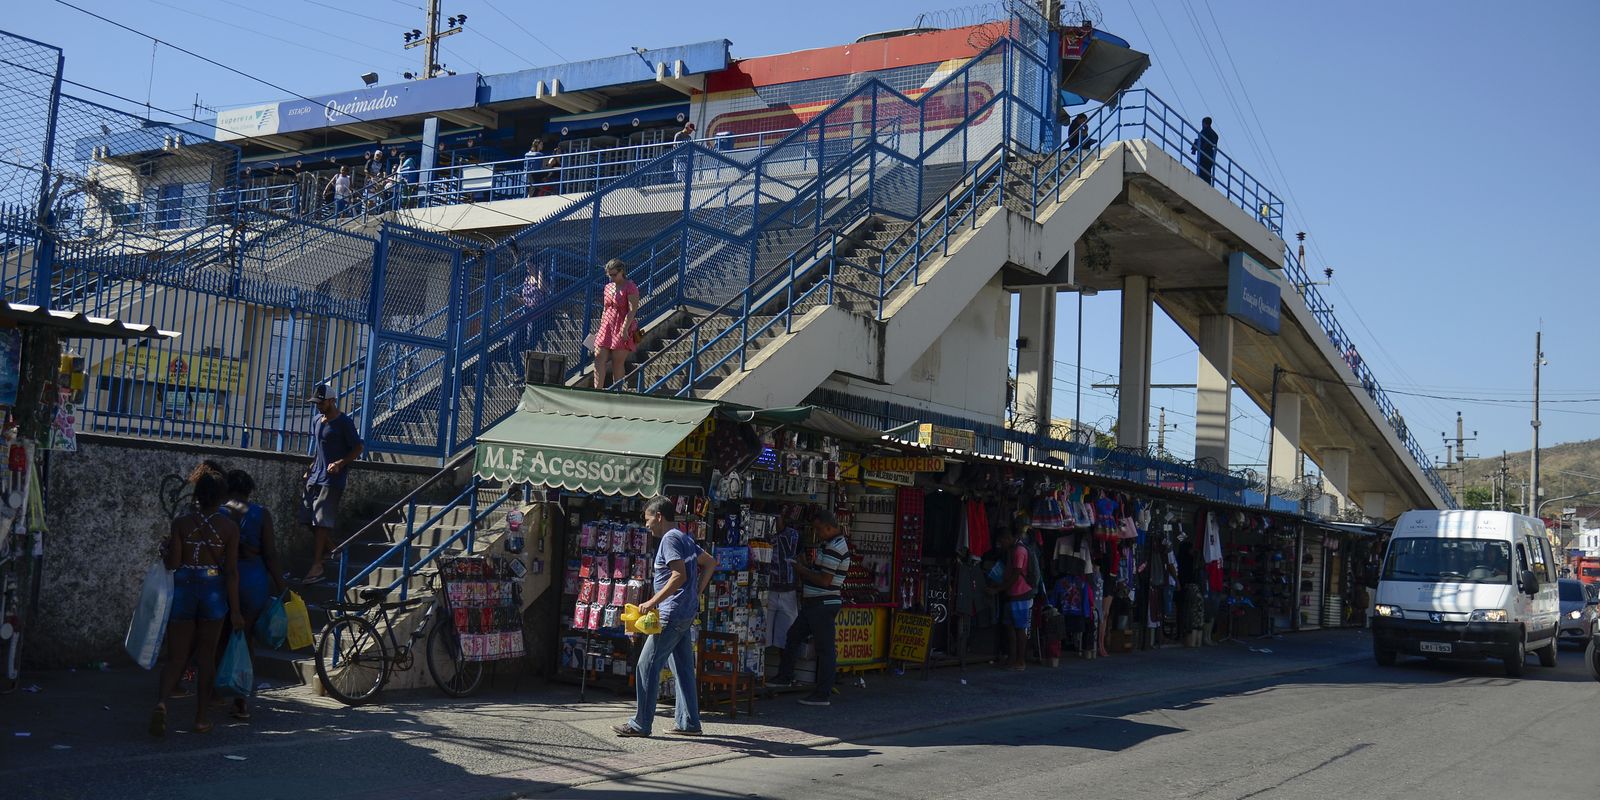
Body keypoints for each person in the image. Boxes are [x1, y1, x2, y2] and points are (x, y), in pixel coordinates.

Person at [613, 496, 719, 737]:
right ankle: (689, 722)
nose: (647, 525)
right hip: (686, 611)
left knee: (646, 665)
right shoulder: (684, 537)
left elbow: (678, 575)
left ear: (659, 516)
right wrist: (696, 592)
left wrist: (651, 602)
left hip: (671, 614)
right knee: (682, 668)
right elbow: (711, 563)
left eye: (648, 519)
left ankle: (640, 724)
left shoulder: (670, 539)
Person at [150, 471, 242, 736]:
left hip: (184, 588)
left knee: (177, 656)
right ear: (222, 497)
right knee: (206, 657)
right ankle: (201, 718)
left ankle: (161, 703)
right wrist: (235, 611)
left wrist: (165, 551)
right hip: (213, 590)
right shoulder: (230, 528)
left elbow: (174, 564)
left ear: (197, 495)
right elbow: (232, 572)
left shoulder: (181, 523)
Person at [770, 510, 851, 707]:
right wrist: (805, 566)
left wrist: (802, 571)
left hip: (823, 604)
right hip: (814, 604)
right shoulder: (829, 544)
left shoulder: (835, 548)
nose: (817, 534)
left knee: (825, 649)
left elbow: (825, 580)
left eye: (819, 530)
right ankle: (785, 675)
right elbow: (820, 572)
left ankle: (822, 694)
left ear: (829, 527)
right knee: (794, 636)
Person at [223, 468, 285, 721]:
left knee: (218, 636)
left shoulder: (220, 511)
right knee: (246, 639)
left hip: (224, 578)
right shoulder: (260, 514)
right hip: (254, 581)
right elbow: (270, 553)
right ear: (249, 489)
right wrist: (282, 586)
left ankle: (212, 693)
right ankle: (241, 698)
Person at [298, 383, 364, 584]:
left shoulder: (344, 423)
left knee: (320, 522)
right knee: (306, 517)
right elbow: (318, 449)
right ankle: (333, 549)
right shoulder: (317, 420)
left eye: (321, 402)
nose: (318, 406)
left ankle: (317, 565)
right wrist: (310, 468)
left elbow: (358, 447)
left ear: (332, 401)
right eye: (316, 402)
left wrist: (340, 463)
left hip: (332, 480)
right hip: (315, 476)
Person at [988, 527, 1033, 671]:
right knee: (1009, 627)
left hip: (1021, 594)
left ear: (1007, 538)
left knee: (1020, 629)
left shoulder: (1019, 551)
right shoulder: (1011, 551)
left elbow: (1015, 575)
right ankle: (1012, 658)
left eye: (1001, 542)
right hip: (1011, 594)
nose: (1001, 545)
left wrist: (998, 589)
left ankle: (1021, 661)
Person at [591, 258, 640, 390]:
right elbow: (605, 308)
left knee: (617, 363)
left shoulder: (630, 286)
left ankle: (617, 392)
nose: (611, 278)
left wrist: (624, 329)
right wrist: (601, 326)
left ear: (621, 271)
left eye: (614, 274)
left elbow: (632, 309)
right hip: (607, 325)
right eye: (609, 275)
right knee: (598, 358)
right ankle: (597, 391)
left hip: (622, 325)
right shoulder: (607, 287)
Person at [1191, 117, 1218, 186]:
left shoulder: (1204, 132)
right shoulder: (1214, 134)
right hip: (1211, 155)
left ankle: (1202, 184)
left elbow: (1202, 141)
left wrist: (1195, 146)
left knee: (1202, 171)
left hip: (1204, 154)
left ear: (1204, 123)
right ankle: (1207, 185)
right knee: (1208, 172)